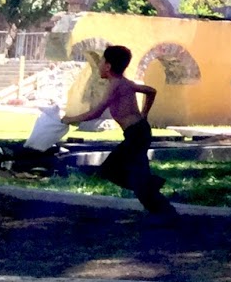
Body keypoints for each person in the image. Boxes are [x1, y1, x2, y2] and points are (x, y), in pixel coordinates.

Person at [63, 44, 175, 217]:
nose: (99, 65)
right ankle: (163, 212)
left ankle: (155, 190)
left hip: (136, 134)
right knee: (136, 175)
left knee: (111, 169)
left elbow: (97, 112)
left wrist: (70, 119)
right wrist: (144, 114)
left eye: (101, 62)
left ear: (107, 66)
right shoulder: (125, 83)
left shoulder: (115, 85)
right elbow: (151, 91)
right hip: (138, 132)